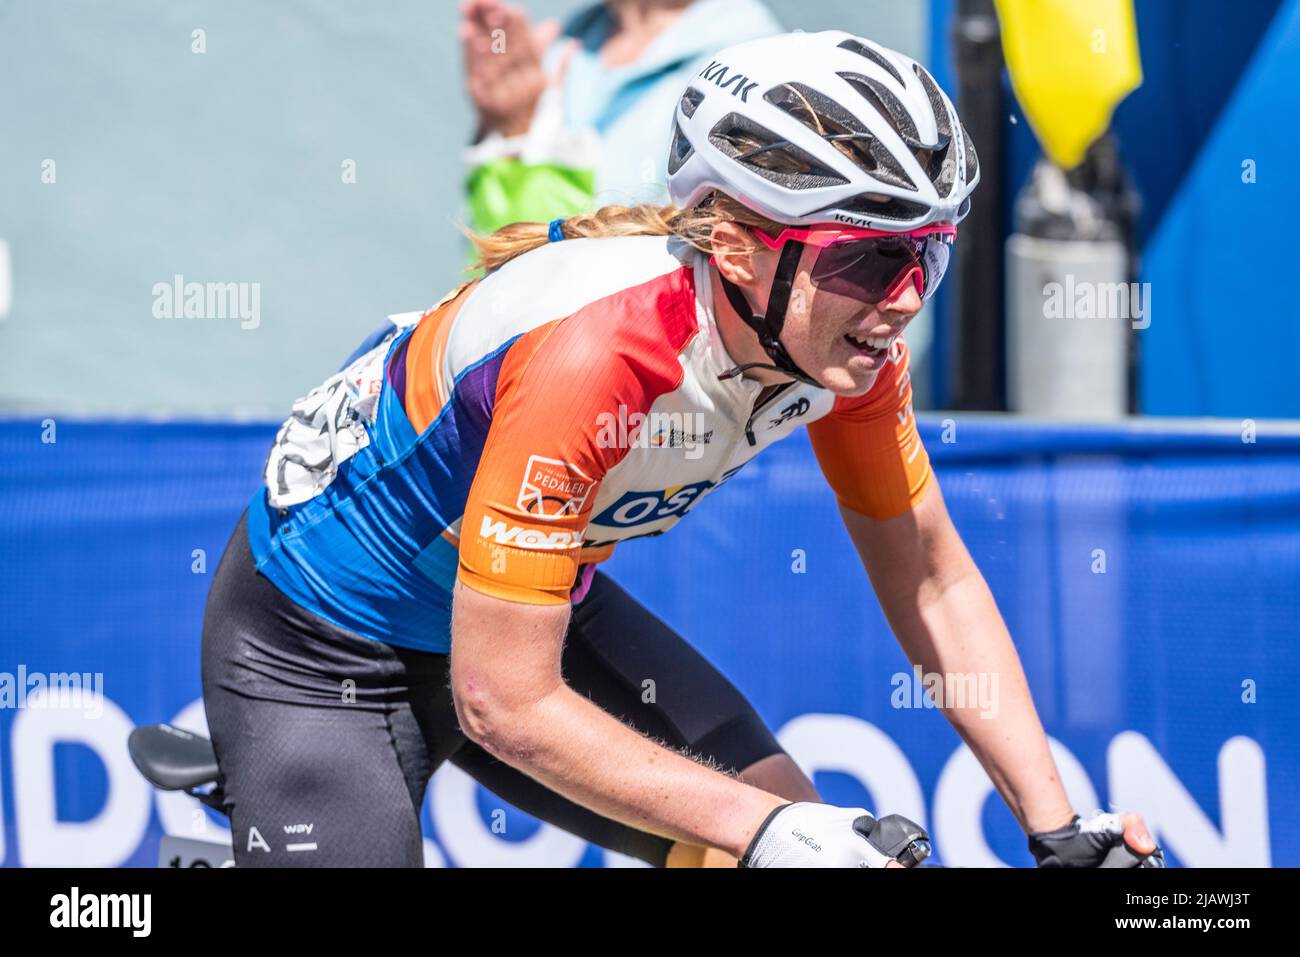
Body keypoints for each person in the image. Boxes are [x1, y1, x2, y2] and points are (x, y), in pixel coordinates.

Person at [201, 30, 1164, 868]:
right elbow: (503, 701)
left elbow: (930, 581)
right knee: (777, 835)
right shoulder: (595, 354)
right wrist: (765, 827)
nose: (907, 297)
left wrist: (1059, 821)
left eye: (930, 252)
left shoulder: (840, 346)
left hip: (523, 607)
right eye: (871, 257)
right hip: (325, 644)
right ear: (740, 245)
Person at [461, 0, 782, 243]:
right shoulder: (562, 50)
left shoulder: (754, 70)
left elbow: (685, 267)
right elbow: (487, 261)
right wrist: (511, 130)